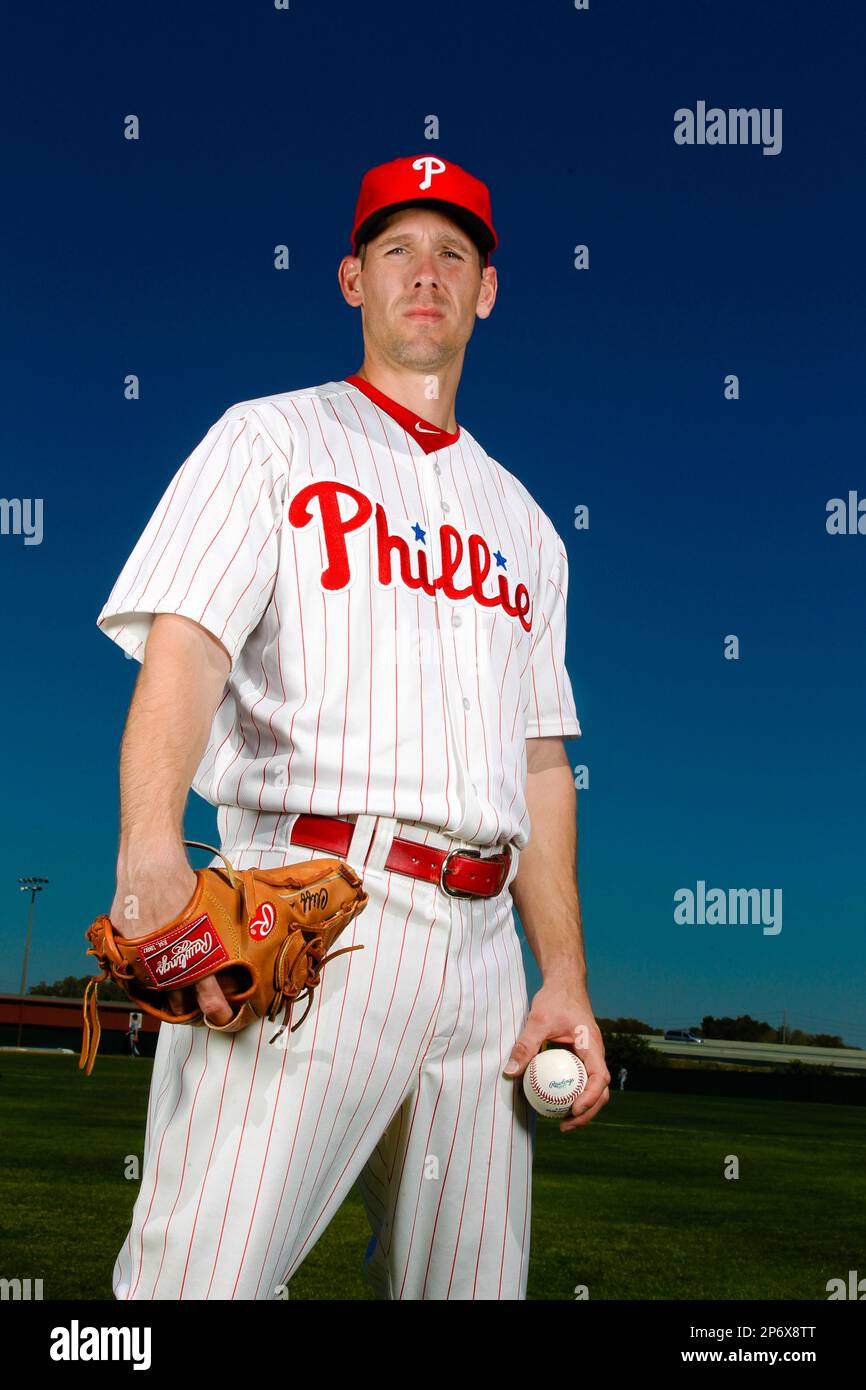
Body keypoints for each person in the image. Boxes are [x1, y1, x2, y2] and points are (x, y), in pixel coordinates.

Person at [95, 154, 609, 1301]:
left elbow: (537, 764)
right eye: (395, 250)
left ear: (485, 291)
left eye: (452, 253)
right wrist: (149, 855)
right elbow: (188, 650)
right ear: (349, 279)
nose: (423, 273)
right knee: (200, 1284)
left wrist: (560, 975)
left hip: (484, 959)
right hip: (308, 904)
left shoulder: (528, 529)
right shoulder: (267, 441)